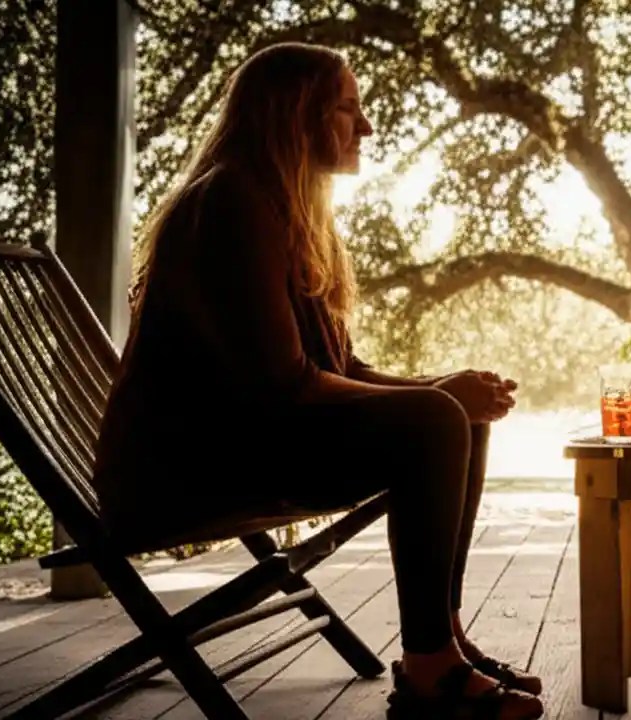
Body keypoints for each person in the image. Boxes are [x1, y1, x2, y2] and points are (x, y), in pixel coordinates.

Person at [91, 43, 545, 720]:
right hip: (185, 472)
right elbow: (286, 384)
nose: (365, 128)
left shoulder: (287, 209)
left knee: (457, 412)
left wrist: (443, 386)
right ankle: (429, 674)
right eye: (348, 109)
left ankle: (441, 640)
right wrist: (434, 400)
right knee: (438, 417)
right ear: (294, 115)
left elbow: (341, 371)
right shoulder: (231, 204)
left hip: (251, 442)